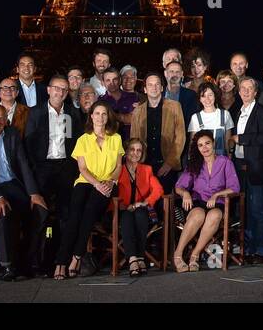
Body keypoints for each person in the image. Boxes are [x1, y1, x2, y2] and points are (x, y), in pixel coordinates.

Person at [0, 104, 46, 281]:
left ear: (6, 120)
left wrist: (34, 193)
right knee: (3, 212)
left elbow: (23, 164)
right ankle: (7, 266)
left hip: (13, 185)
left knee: (40, 211)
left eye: (1, 119)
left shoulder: (12, 135)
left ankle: (31, 262)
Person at [54, 100, 124, 279]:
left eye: (104, 113)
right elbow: (82, 169)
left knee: (88, 214)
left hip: (107, 184)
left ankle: (76, 258)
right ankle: (61, 262)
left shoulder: (115, 138)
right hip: (86, 182)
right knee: (74, 216)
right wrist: (96, 184)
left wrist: (109, 181)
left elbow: (118, 166)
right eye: (97, 113)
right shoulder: (83, 139)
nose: (100, 117)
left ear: (108, 117)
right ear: (91, 116)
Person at [24, 73, 82, 273]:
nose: (60, 92)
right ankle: (34, 262)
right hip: (43, 168)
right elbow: (29, 144)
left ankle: (61, 260)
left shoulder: (73, 114)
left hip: (65, 168)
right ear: (48, 90)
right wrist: (34, 170)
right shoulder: (36, 112)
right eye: (56, 88)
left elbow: (76, 143)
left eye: (64, 89)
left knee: (65, 215)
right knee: (40, 214)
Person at [173, 131, 239, 272]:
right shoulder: (195, 164)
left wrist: (217, 195)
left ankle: (195, 255)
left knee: (213, 215)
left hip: (219, 203)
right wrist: (185, 193)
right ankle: (178, 254)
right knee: (198, 215)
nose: (204, 148)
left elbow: (235, 188)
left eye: (207, 143)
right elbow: (179, 186)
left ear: (213, 143)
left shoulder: (225, 162)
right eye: (200, 145)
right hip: (198, 202)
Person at [231, 76, 263, 264]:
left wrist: (242, 138)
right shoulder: (236, 111)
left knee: (258, 209)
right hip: (239, 166)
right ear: (239, 91)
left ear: (256, 92)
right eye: (243, 88)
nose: (246, 91)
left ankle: (261, 250)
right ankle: (247, 248)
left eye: (250, 88)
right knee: (244, 210)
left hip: (256, 167)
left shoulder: (262, 112)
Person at [130, 71, 185, 189]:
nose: (154, 87)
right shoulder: (137, 112)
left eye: (157, 84)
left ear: (161, 88)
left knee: (165, 202)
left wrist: (170, 163)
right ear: (145, 89)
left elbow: (180, 137)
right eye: (150, 85)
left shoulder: (175, 107)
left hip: (166, 165)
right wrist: (136, 165)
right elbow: (133, 141)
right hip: (144, 165)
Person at [117, 138, 164, 275]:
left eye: (139, 150)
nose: (135, 153)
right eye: (132, 149)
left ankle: (138, 257)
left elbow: (158, 190)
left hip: (140, 211)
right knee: (127, 217)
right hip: (121, 210)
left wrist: (143, 203)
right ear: (126, 151)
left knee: (140, 213)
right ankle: (134, 259)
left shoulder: (147, 169)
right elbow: (112, 191)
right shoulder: (118, 169)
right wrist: (122, 205)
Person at [186, 82, 234, 155]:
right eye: (203, 96)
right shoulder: (195, 117)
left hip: (221, 160)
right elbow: (192, 144)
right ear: (199, 99)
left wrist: (229, 158)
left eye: (210, 95)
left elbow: (228, 141)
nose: (207, 99)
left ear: (215, 96)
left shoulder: (225, 114)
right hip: (202, 162)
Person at [163, 59, 199, 125]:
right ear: (165, 73)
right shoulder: (158, 94)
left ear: (182, 74)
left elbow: (192, 121)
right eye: (171, 71)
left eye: (177, 72)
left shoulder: (191, 96)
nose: (175, 75)